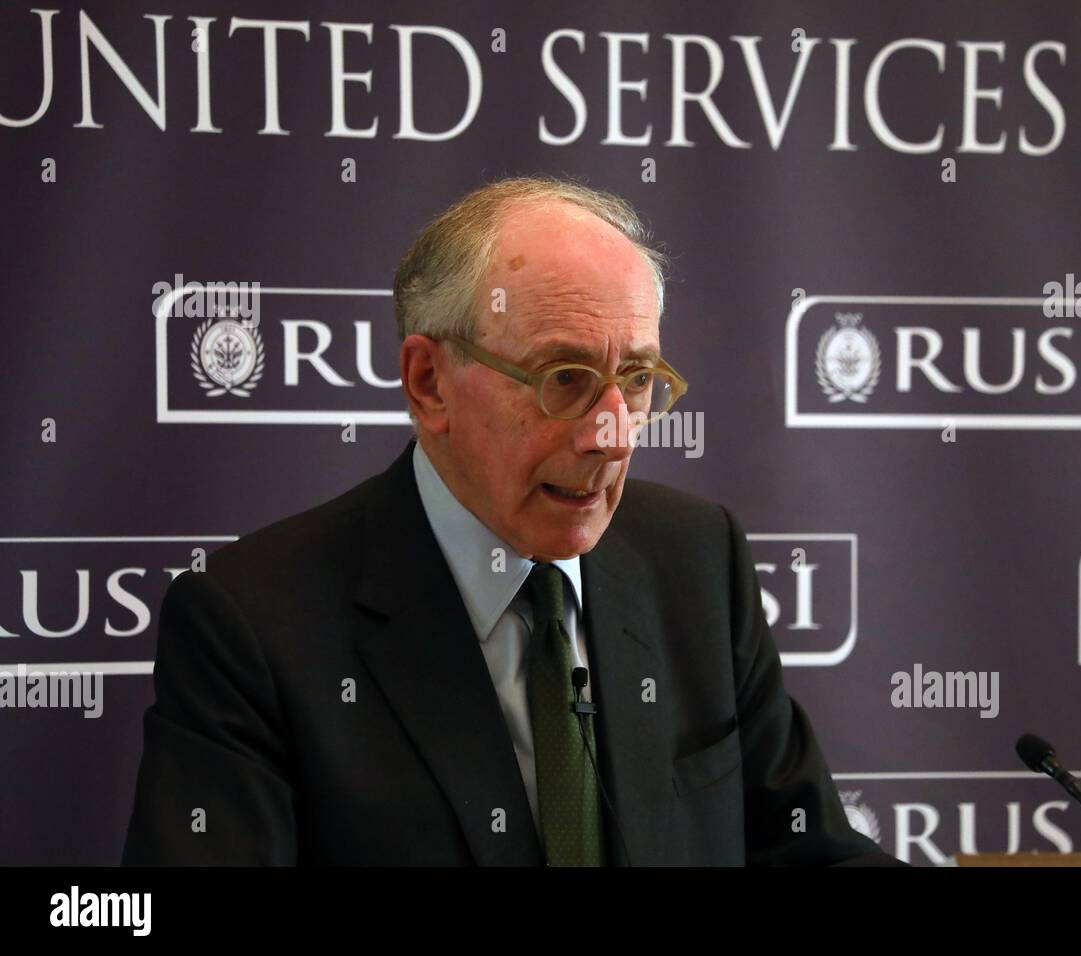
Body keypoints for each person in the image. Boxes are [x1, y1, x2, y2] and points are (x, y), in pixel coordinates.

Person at [122, 176, 900, 866]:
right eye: (565, 378)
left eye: (635, 379)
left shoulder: (697, 559)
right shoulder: (254, 624)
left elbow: (806, 849)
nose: (613, 434)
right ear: (429, 383)